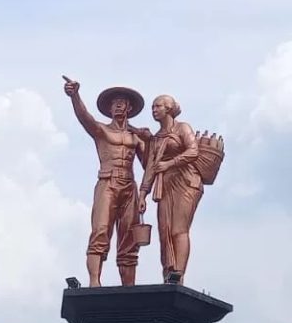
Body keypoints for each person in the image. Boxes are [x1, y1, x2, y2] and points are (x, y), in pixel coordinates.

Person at [62, 76, 152, 287]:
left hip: (130, 187)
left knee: (130, 238)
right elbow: (85, 118)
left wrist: (150, 142)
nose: (118, 105)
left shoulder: (136, 136)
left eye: (122, 102)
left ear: (129, 107)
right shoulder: (102, 130)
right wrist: (75, 96)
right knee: (101, 230)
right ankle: (95, 282)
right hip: (107, 183)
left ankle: (128, 287)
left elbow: (150, 165)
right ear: (110, 108)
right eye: (114, 102)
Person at [140, 94, 204, 285]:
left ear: (168, 108)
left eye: (157, 106)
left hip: (186, 182)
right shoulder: (156, 139)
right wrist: (142, 194)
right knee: (164, 231)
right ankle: (168, 273)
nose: (154, 110)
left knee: (178, 230)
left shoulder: (182, 128)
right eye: (152, 107)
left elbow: (193, 150)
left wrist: (169, 164)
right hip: (165, 186)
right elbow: (151, 167)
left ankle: (179, 275)